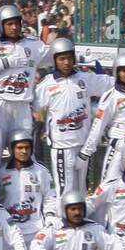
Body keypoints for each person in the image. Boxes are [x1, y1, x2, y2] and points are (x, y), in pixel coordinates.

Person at [35, 38, 105, 196]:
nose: (66, 62)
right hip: (62, 147)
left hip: (83, 145)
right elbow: (32, 105)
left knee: (82, 190)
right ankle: (62, 220)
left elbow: (110, 83)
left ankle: (81, 220)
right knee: (65, 190)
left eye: (69, 58)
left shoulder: (85, 79)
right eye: (61, 59)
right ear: (54, 60)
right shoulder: (47, 84)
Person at [0, 4, 51, 146]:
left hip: (23, 105)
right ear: (1, 25)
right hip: (0, 104)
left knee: (24, 147)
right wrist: (6, 62)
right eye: (9, 24)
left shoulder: (33, 44)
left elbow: (54, 56)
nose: (14, 27)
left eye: (17, 23)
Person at [80, 51, 125, 188]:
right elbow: (98, 125)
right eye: (124, 71)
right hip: (119, 148)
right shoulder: (111, 96)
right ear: (117, 72)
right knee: (109, 186)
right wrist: (87, 151)